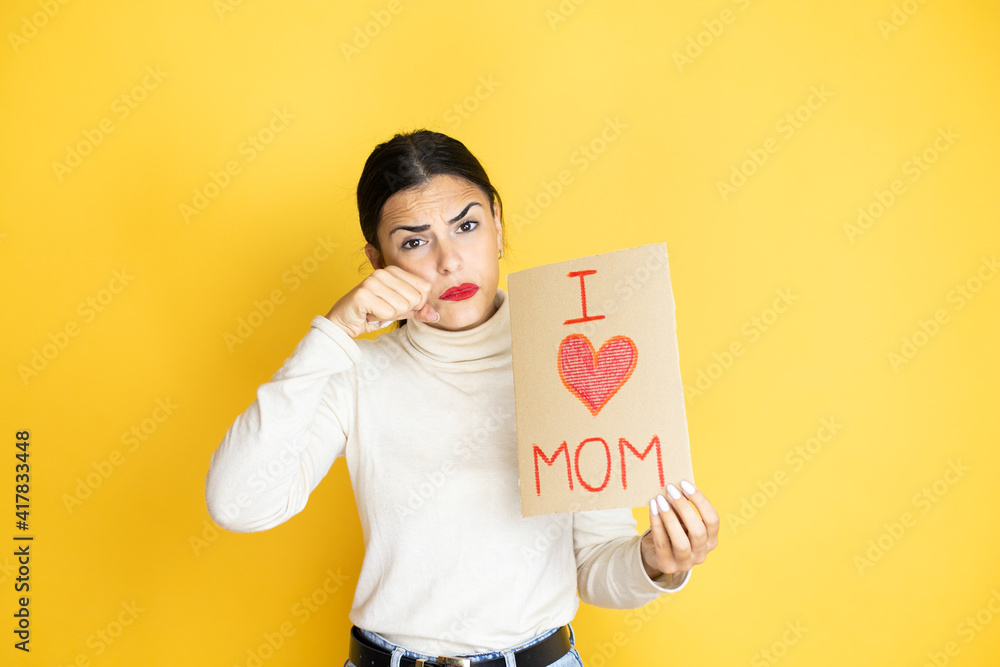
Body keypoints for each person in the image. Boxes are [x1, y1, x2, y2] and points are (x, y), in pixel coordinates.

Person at [204, 129, 719, 667]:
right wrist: (332, 333)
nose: (448, 261)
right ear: (377, 261)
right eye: (414, 241)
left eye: (466, 226)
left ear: (497, 224)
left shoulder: (570, 363)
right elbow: (237, 504)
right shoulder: (356, 374)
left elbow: (593, 565)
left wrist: (658, 563)